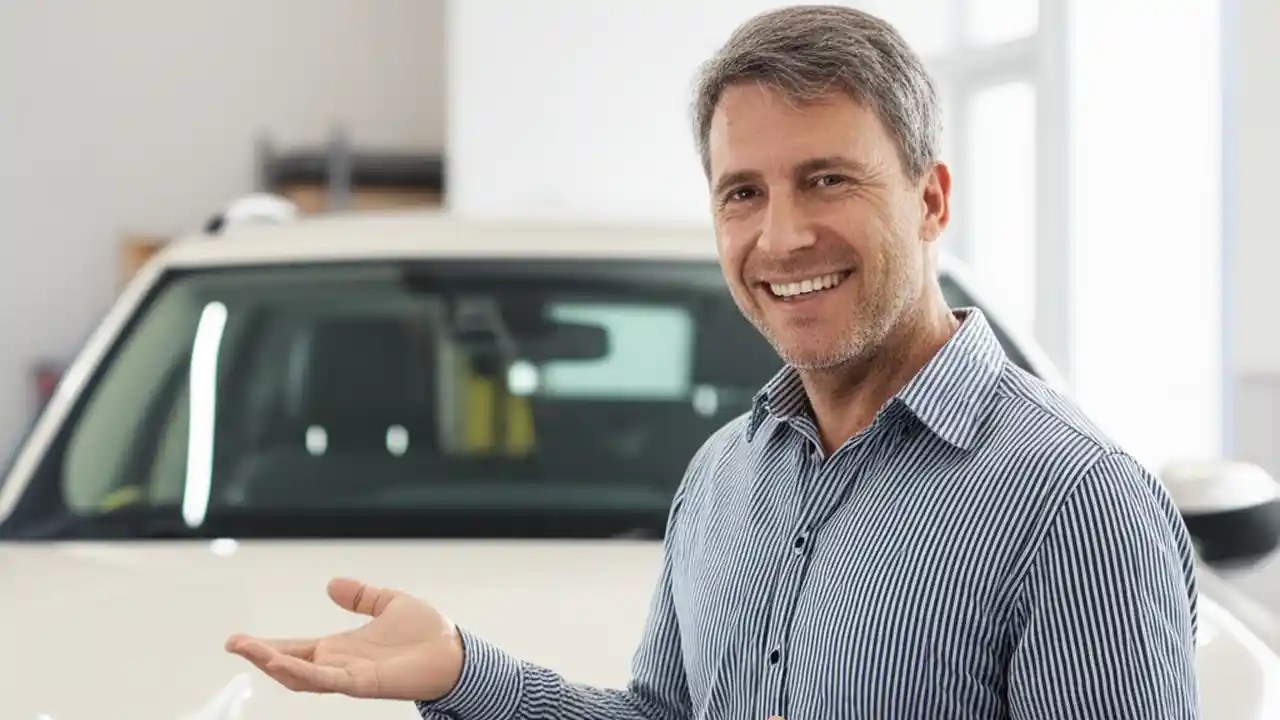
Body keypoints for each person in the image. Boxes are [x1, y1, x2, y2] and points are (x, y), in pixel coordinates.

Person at [225, 5, 1199, 718]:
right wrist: (459, 673)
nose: (780, 239)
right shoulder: (725, 476)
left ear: (930, 200)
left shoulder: (1077, 504)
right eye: (742, 193)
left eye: (826, 180)